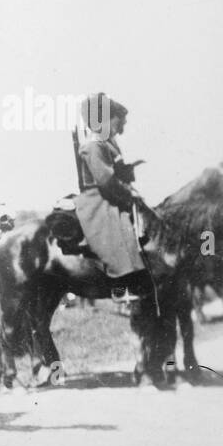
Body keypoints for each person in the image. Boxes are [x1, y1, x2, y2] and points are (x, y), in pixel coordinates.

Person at [74, 92, 147, 298]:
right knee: (120, 225)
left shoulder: (107, 142)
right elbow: (105, 180)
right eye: (118, 123)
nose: (120, 128)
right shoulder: (93, 144)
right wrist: (127, 194)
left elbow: (115, 170)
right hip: (98, 198)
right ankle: (122, 285)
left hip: (110, 193)